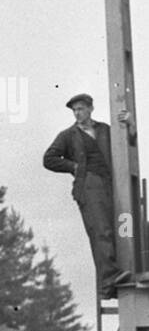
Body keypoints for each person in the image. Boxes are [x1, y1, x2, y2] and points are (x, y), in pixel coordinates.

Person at [43, 93, 133, 299]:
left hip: (112, 184)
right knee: (101, 230)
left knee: (122, 226)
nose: (78, 113)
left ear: (90, 109)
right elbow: (49, 158)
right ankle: (109, 280)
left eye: (81, 109)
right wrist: (74, 166)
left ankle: (119, 274)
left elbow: (126, 145)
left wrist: (130, 124)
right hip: (89, 185)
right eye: (75, 110)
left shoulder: (105, 130)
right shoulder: (68, 135)